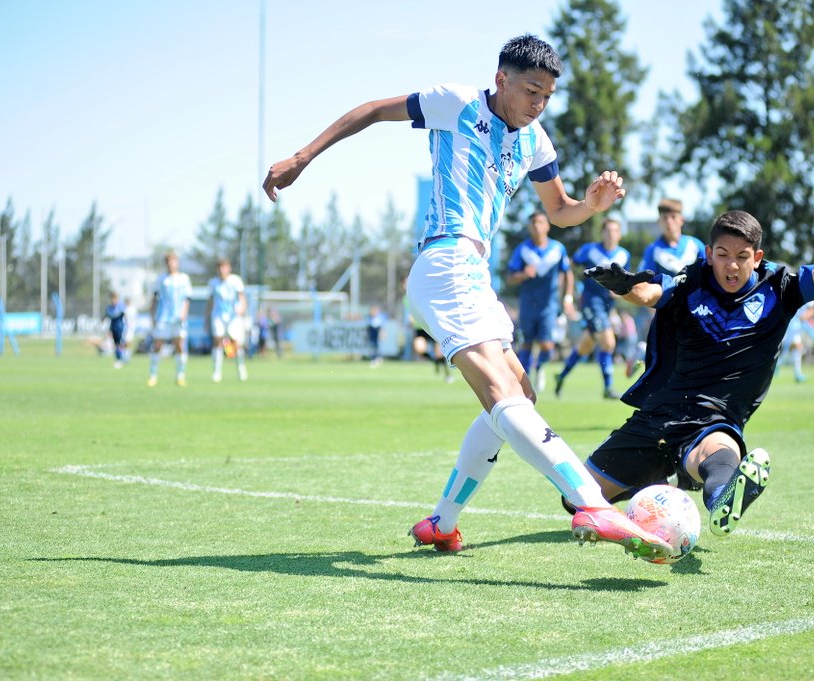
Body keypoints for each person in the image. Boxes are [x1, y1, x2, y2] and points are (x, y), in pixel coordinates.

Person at [263, 34, 672, 559]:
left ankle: (443, 522)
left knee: (520, 395)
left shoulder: (535, 140)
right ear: (501, 79)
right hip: (446, 260)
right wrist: (302, 157)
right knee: (502, 392)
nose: (538, 104)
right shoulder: (455, 103)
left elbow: (559, 210)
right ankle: (592, 504)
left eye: (547, 96)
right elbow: (372, 110)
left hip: (473, 273)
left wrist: (590, 205)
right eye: (531, 91)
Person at [571, 158, 814, 545]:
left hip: (715, 419)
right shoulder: (691, 281)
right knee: (576, 500)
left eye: (742, 256)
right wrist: (624, 286)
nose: (731, 266)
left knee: (716, 456)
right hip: (661, 412)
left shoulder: (781, 288)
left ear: (757, 256)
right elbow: (650, 292)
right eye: (722, 254)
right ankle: (654, 484)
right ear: (709, 253)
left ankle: (724, 499)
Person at [629, 199, 707, 377]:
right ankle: (644, 354)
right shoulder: (653, 250)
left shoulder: (695, 245)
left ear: (681, 219)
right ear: (659, 221)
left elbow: (709, 273)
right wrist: (651, 309)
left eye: (673, 217)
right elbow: (644, 283)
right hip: (666, 312)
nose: (669, 221)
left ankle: (643, 350)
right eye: (664, 218)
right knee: (668, 362)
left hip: (695, 310)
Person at [554, 218, 629, 399]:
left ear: (619, 234)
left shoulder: (624, 255)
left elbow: (625, 282)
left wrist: (619, 293)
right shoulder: (589, 250)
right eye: (607, 230)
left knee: (585, 345)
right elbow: (569, 267)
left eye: (615, 231)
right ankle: (608, 388)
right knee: (608, 343)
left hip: (607, 306)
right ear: (602, 233)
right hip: (591, 302)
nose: (611, 234)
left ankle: (561, 375)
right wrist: (568, 293)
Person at [506, 210, 575, 392]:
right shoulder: (523, 250)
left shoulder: (557, 249)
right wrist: (523, 274)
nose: (537, 226)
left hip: (549, 305)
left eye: (540, 222)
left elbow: (567, 274)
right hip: (528, 304)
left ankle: (539, 367)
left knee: (547, 346)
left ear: (547, 226)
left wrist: (568, 298)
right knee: (526, 344)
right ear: (529, 227)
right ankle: (524, 384)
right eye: (533, 223)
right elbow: (510, 278)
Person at [147, 251, 192, 387]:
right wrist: (152, 315)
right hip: (163, 317)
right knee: (157, 344)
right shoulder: (161, 279)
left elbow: (186, 299)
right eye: (168, 262)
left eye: (173, 261)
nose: (170, 264)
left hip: (178, 318)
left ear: (177, 263)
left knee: (179, 345)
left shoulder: (184, 279)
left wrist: (184, 314)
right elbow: (155, 299)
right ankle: (153, 375)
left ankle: (180, 375)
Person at [205, 257, 248, 383]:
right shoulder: (213, 283)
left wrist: (242, 309)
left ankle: (240, 368)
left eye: (224, 267)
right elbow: (210, 301)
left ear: (229, 268)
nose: (221, 270)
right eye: (219, 267)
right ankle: (216, 372)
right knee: (217, 341)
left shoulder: (235, 280)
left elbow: (242, 298)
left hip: (233, 316)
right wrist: (206, 317)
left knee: (235, 343)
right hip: (218, 315)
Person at [103, 292, 127, 368]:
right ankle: (119, 358)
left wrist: (127, 325)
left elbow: (124, 315)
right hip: (113, 327)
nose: (113, 300)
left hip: (120, 327)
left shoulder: (120, 306)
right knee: (116, 344)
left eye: (115, 299)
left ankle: (121, 358)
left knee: (121, 343)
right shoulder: (109, 307)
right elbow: (106, 315)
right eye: (112, 299)